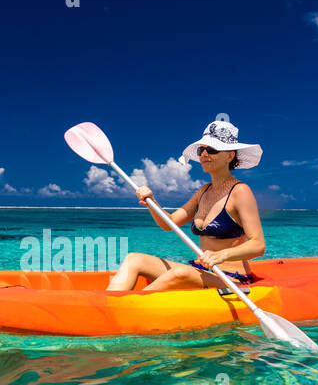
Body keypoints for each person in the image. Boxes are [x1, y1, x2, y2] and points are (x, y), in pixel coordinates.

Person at [106, 120, 267, 291]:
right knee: (134, 259)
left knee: (180, 273)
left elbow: (258, 245)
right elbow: (169, 223)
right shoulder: (203, 191)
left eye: (212, 149)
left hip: (231, 279)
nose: (204, 154)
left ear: (229, 156)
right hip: (203, 271)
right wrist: (151, 202)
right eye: (201, 149)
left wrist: (221, 255)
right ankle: (109, 304)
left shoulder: (240, 191)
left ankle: (125, 309)